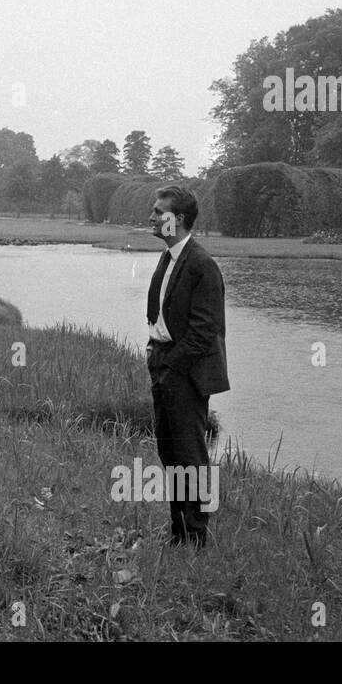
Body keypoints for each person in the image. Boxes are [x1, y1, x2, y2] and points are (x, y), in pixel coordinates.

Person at [145, 186, 229, 547]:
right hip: (165, 363)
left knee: (190, 454)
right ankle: (179, 533)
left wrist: (172, 366)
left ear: (177, 219)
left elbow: (204, 332)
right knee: (169, 451)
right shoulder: (169, 257)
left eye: (158, 211)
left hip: (186, 372)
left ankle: (195, 537)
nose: (151, 217)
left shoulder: (201, 265)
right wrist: (154, 353)